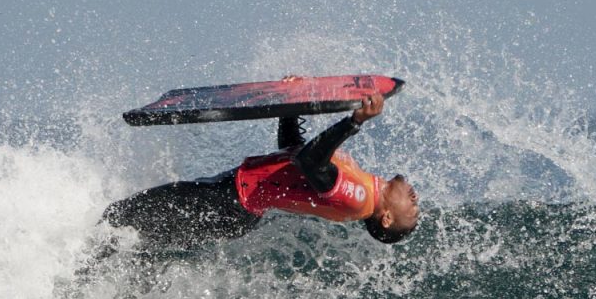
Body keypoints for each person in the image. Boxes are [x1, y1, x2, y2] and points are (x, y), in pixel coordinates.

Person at [103, 89, 419, 248]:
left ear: (387, 218)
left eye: (413, 211)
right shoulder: (360, 184)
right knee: (134, 231)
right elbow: (295, 153)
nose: (416, 200)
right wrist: (290, 107)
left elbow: (310, 161)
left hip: (228, 205)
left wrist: (355, 121)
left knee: (123, 217)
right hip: (229, 197)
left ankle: (74, 278)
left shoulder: (358, 199)